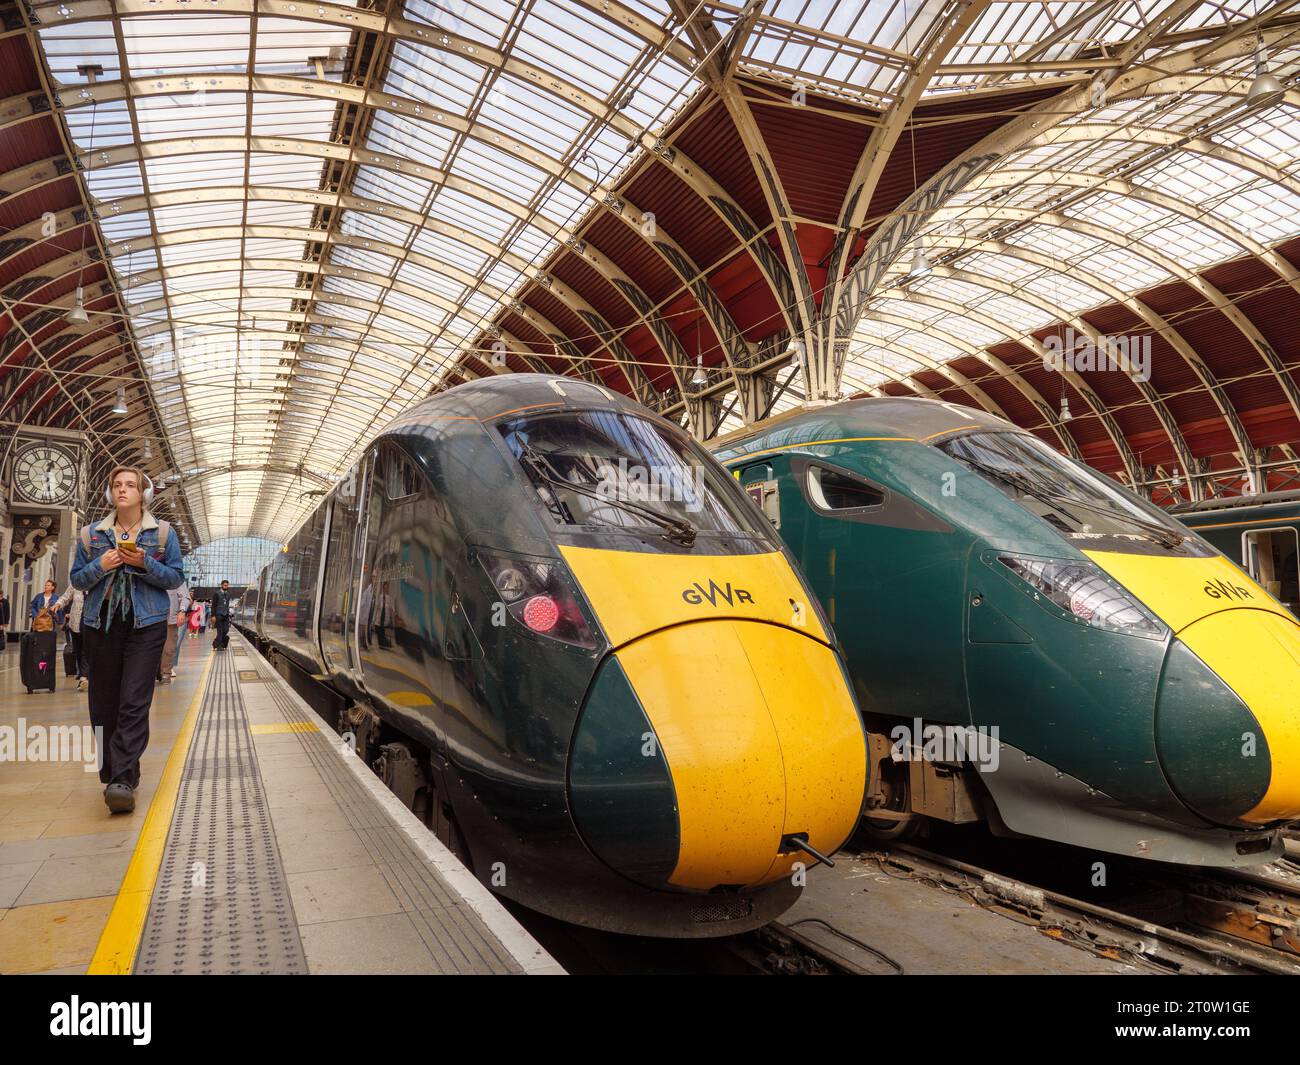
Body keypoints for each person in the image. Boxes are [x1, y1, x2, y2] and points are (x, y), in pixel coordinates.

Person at [71, 465, 183, 815]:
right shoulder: (92, 535)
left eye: (130, 485)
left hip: (145, 625)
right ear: (109, 494)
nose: (122, 490)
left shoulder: (163, 534)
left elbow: (175, 578)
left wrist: (145, 562)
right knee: (103, 704)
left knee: (134, 700)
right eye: (116, 485)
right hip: (101, 624)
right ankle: (119, 772)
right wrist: (101, 566)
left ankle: (119, 779)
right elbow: (77, 580)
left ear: (143, 494)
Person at [55, 585, 87, 690]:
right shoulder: (76, 584)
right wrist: (58, 604)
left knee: (87, 651)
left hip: (91, 624)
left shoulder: (97, 581)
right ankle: (84, 676)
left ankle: (84, 678)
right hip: (75, 623)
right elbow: (65, 597)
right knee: (78, 651)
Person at [159, 582, 189, 682]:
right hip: (149, 618)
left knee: (169, 647)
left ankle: (165, 672)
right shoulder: (149, 571)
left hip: (170, 618)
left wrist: (182, 611)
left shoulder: (176, 576)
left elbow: (185, 597)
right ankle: (155, 672)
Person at [212, 580, 232, 649]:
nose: (226, 587)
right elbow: (213, 605)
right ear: (222, 585)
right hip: (218, 614)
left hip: (226, 615)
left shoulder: (228, 594)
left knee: (226, 630)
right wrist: (213, 615)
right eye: (225, 585)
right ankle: (219, 646)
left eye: (227, 585)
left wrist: (228, 613)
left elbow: (227, 605)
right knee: (220, 631)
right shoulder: (216, 594)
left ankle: (215, 642)